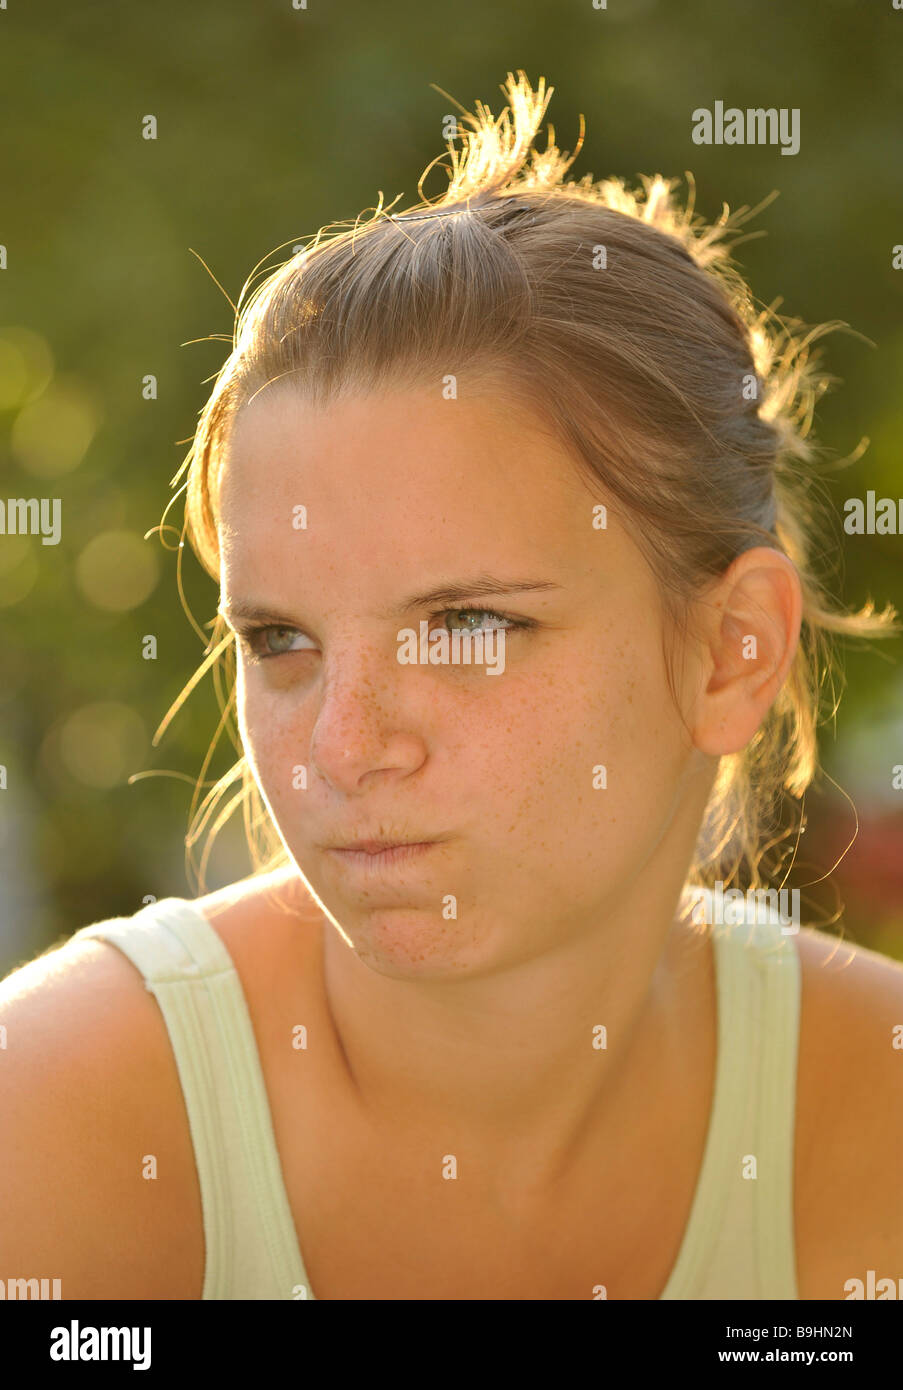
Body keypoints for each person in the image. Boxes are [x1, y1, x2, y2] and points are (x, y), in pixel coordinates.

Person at [2, 70, 902, 1301]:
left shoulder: (878, 1126)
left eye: (466, 622)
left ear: (733, 650)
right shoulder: (58, 1120)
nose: (343, 745)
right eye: (280, 639)